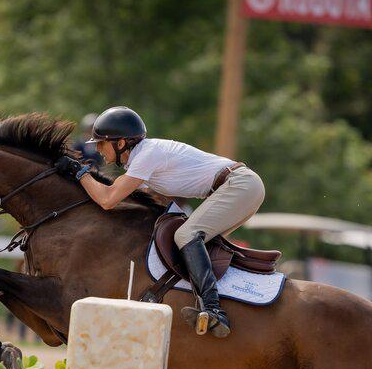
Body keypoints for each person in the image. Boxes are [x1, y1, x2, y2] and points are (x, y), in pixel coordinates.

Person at [54, 106, 265, 338]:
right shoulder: (141, 158)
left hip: (240, 186)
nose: (98, 149)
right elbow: (118, 194)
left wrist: (79, 173)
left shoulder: (146, 155)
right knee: (191, 245)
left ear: (121, 143)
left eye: (102, 143)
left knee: (186, 236)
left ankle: (214, 309)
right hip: (238, 187)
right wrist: (79, 176)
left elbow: (107, 200)